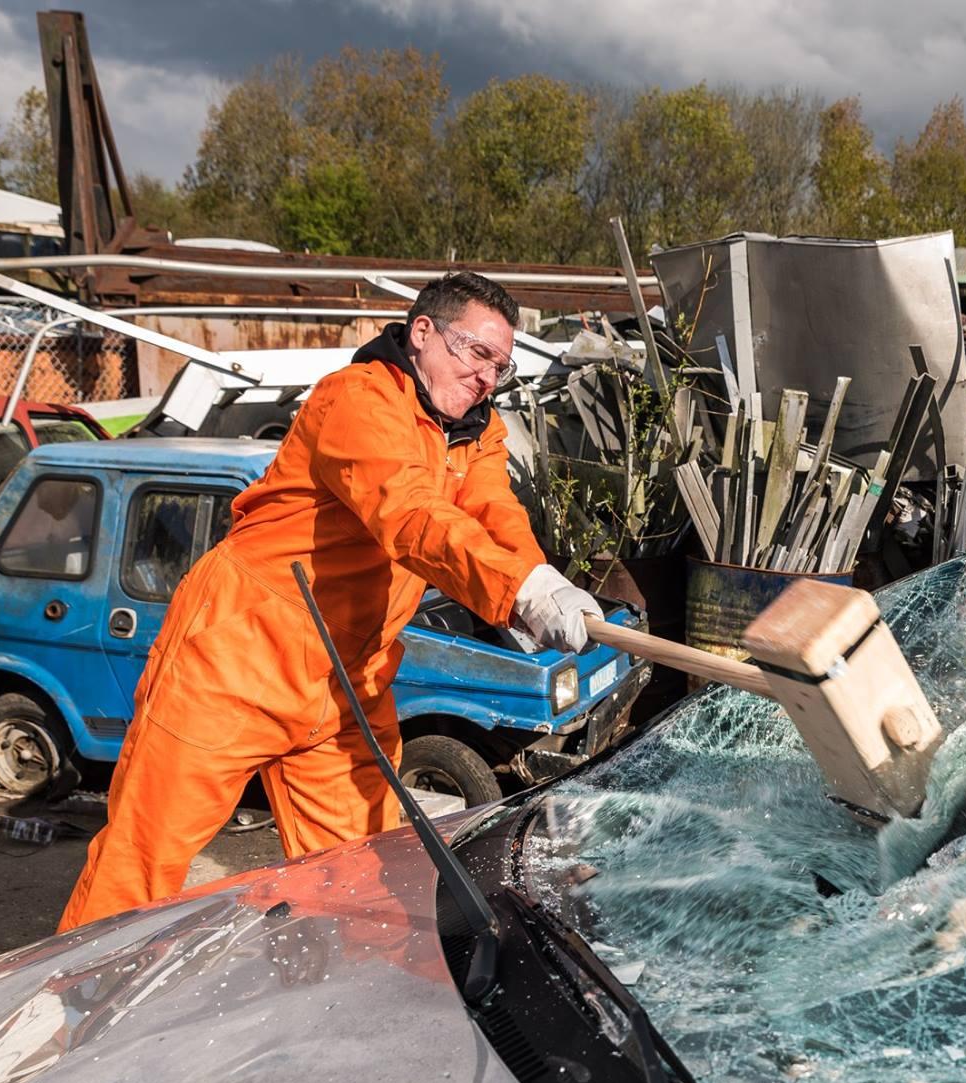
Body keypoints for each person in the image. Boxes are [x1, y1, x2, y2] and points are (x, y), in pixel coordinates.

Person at [57, 271, 600, 933]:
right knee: (141, 859)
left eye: (500, 364)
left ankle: (341, 1011)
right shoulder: (358, 401)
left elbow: (492, 515)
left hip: (347, 684)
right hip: (237, 659)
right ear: (422, 332)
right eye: (475, 353)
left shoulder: (474, 432)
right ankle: (82, 1010)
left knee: (363, 874)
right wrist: (515, 588)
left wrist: (539, 577)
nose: (487, 376)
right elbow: (409, 513)